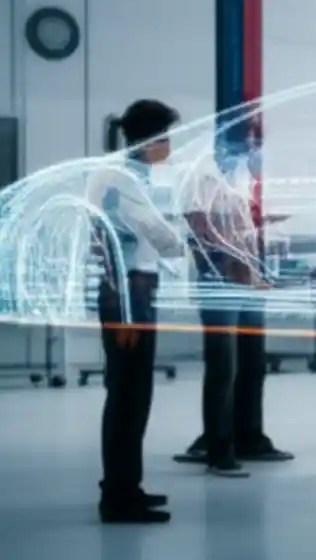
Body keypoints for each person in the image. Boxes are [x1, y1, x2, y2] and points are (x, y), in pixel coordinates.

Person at [87, 100, 185, 523]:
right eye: (167, 137)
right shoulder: (123, 178)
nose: (170, 146)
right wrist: (179, 245)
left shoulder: (129, 173)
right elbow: (147, 229)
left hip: (134, 290)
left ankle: (126, 486)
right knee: (128, 395)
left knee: (132, 393)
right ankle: (119, 496)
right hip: (129, 294)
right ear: (151, 140)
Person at [178, 127, 292, 477]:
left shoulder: (239, 177)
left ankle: (249, 436)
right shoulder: (201, 177)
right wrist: (236, 260)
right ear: (227, 145)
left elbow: (241, 228)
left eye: (258, 145)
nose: (254, 152)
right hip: (219, 281)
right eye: (250, 145)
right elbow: (201, 228)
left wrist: (256, 268)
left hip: (247, 279)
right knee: (222, 367)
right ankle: (217, 448)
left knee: (252, 363)